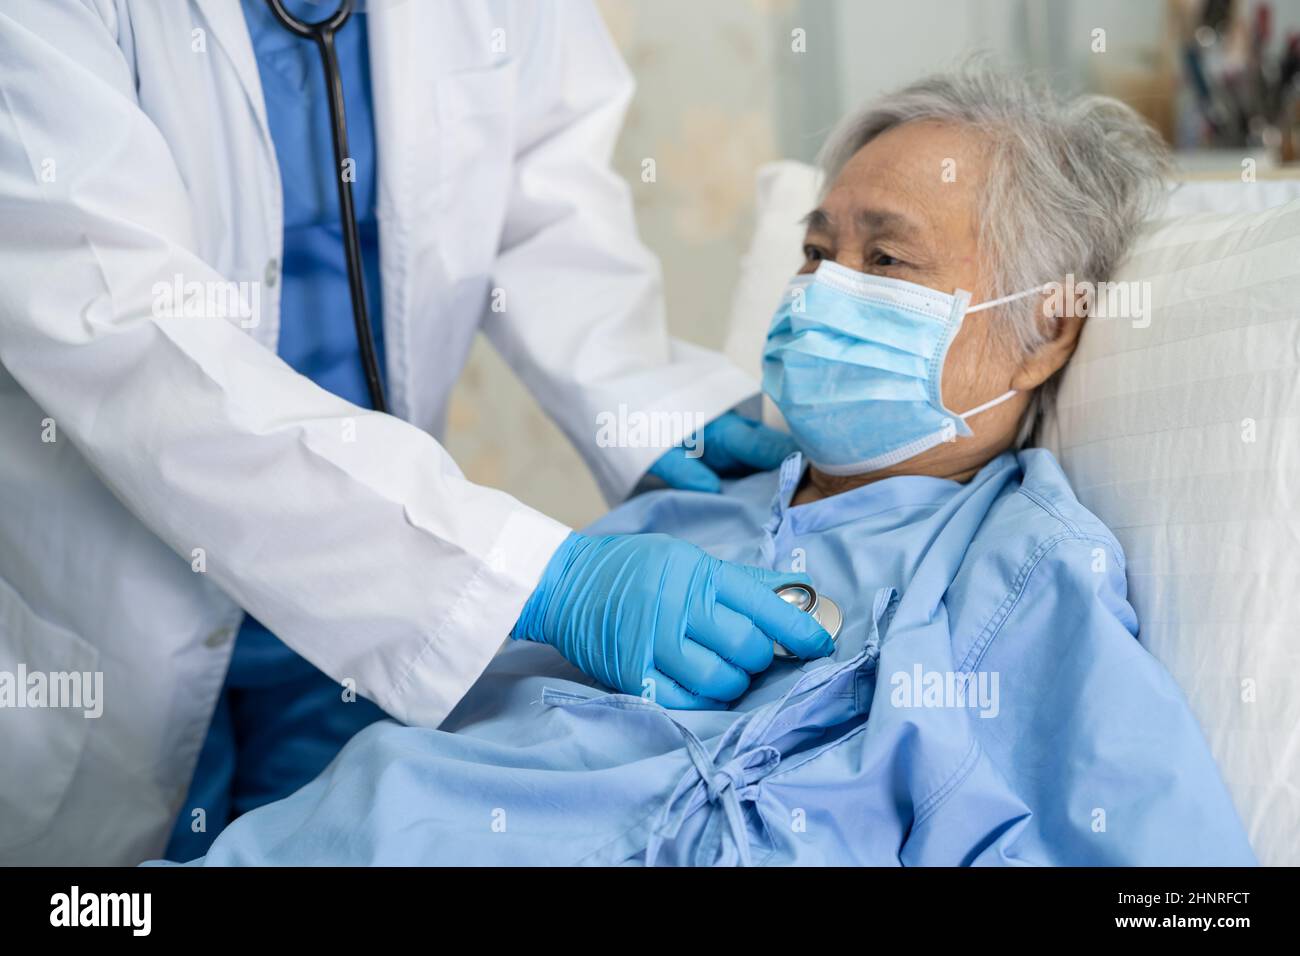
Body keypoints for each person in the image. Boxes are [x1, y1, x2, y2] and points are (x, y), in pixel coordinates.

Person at [170, 67, 1254, 867]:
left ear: (1044, 331)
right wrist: (558, 581)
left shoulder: (1011, 572)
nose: (825, 289)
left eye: (885, 258)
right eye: (815, 252)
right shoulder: (661, 527)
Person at [0, 0, 830, 865]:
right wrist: (543, 579)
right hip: (114, 592)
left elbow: (545, 188)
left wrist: (648, 399)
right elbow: (128, 330)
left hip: (365, 600)